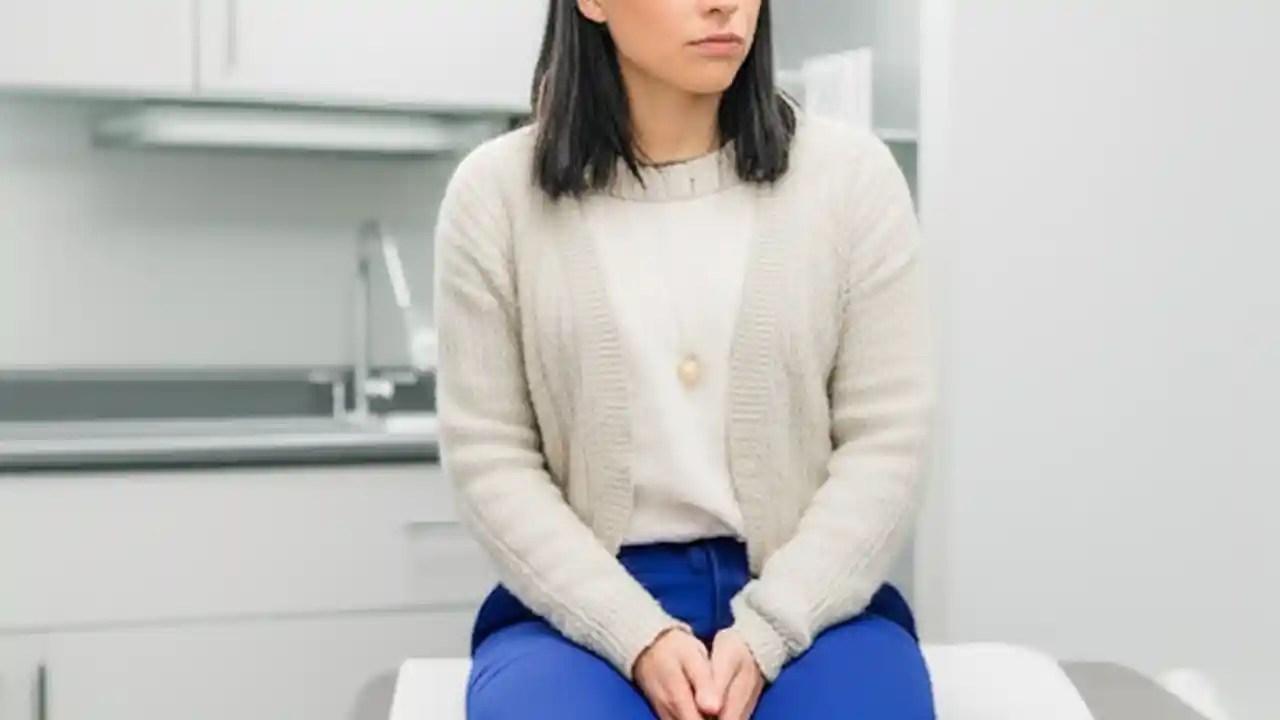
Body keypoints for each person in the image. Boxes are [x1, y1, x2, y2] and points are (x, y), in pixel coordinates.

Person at [433, 1, 935, 718]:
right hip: (581, 612)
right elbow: (491, 457)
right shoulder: (495, 196)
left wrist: (769, 628)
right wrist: (634, 634)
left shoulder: (853, 180)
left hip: (812, 605)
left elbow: (888, 444)